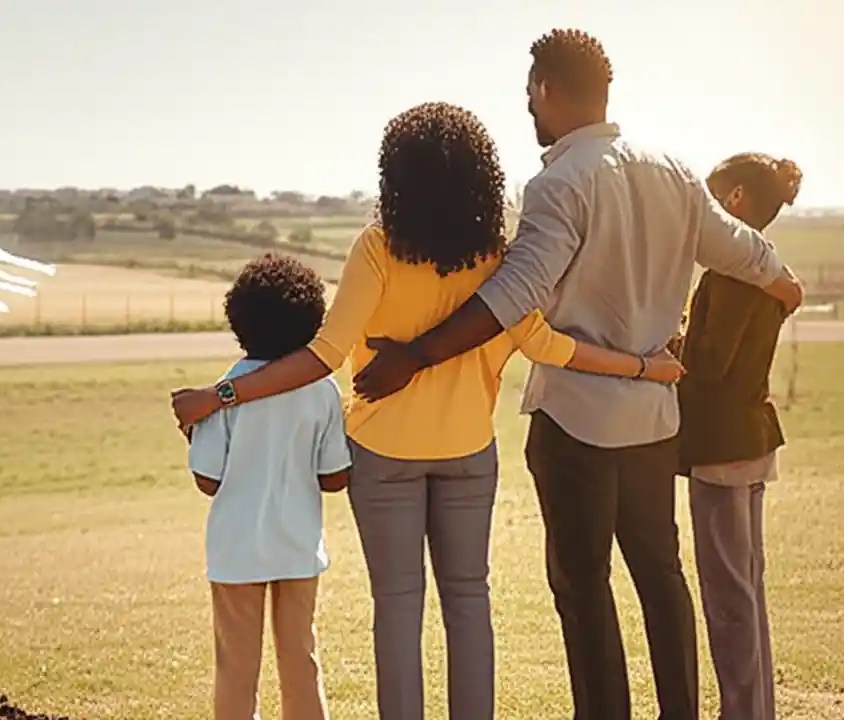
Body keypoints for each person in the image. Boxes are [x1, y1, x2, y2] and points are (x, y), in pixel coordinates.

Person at [347, 30, 805, 720]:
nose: (529, 106)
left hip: (576, 427)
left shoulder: (560, 183)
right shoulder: (673, 170)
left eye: (531, 92)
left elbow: (512, 295)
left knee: (584, 590)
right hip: (654, 421)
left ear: (548, 90)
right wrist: (785, 283)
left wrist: (415, 355)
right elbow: (745, 252)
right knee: (662, 578)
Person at [173, 102, 684, 720]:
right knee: (470, 604)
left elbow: (322, 356)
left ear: (397, 175)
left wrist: (221, 395)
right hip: (469, 453)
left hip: (383, 455)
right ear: (481, 178)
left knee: (397, 609)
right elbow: (552, 348)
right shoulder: (500, 255)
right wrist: (643, 367)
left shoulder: (378, 248)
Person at [187, 252, 352, 720]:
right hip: (298, 546)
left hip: (237, 549)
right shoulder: (321, 389)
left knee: (237, 667)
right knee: (301, 658)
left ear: (240, 319)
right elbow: (335, 478)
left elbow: (208, 480)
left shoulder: (226, 390)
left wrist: (192, 434)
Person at [679, 154, 802, 720]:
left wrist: (664, 345)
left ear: (733, 202)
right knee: (747, 593)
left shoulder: (732, 274)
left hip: (722, 446)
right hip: (750, 439)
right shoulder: (769, 268)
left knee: (729, 600)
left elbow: (709, 363)